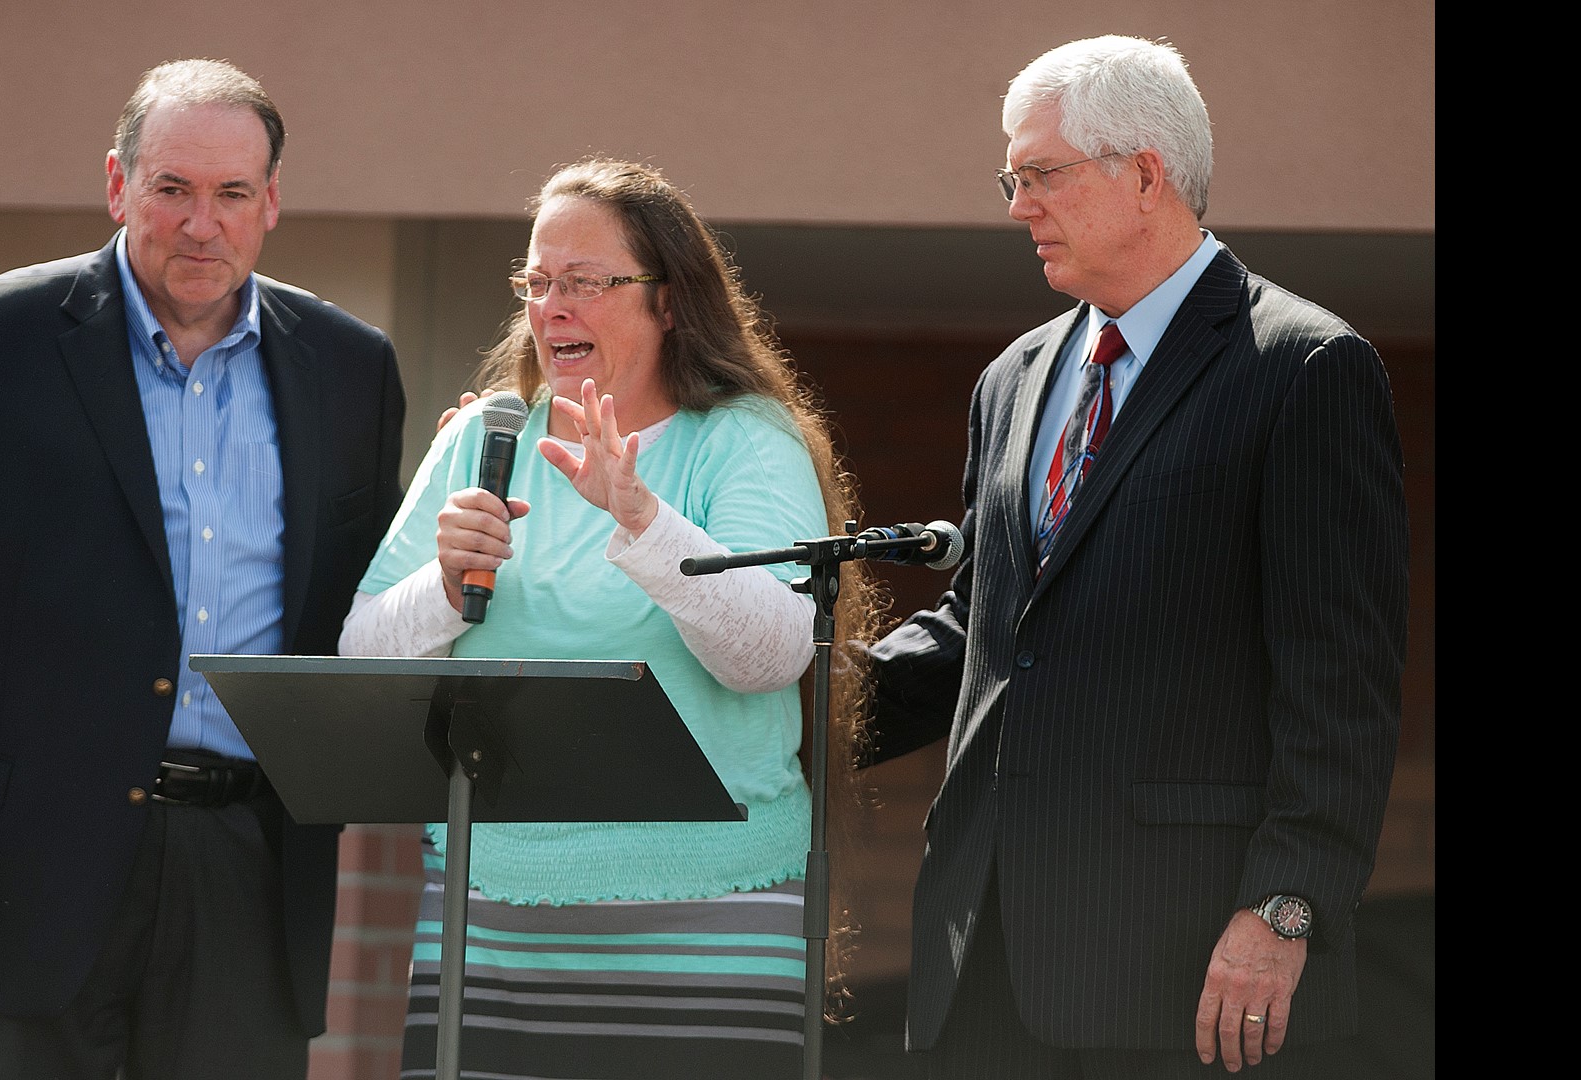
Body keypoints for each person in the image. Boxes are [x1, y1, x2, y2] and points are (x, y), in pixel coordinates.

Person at [0, 58, 406, 1078]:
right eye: (173, 189)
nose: (203, 223)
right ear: (118, 185)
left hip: (247, 867)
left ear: (271, 201)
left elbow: (369, 606)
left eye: (233, 193)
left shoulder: (351, 369)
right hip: (20, 873)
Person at [863, 35, 1409, 1078]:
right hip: (981, 953)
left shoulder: (1305, 367)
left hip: (1187, 966)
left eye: (1040, 174)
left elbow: (1339, 686)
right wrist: (781, 710)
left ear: (1145, 173)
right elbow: (981, 628)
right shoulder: (1012, 377)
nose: (1018, 204)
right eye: (1011, 178)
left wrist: (1283, 909)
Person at [339, 156, 883, 1079]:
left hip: (708, 916)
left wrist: (640, 518)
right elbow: (364, 653)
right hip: (494, 916)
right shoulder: (488, 437)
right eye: (537, 281)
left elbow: (773, 650)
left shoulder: (744, 440)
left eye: (585, 283)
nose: (552, 307)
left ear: (669, 302)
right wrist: (443, 580)